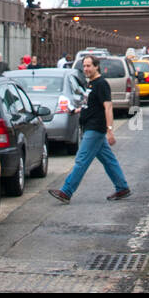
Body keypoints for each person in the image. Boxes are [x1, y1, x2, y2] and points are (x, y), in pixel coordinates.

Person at [49, 55, 130, 204]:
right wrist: (76, 110)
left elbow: (108, 106)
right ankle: (122, 187)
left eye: (89, 66)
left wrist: (110, 130)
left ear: (96, 66)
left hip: (95, 129)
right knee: (109, 160)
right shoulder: (90, 84)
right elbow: (91, 106)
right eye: (84, 66)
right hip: (89, 126)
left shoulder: (101, 84)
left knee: (81, 160)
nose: (86, 69)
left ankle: (66, 192)